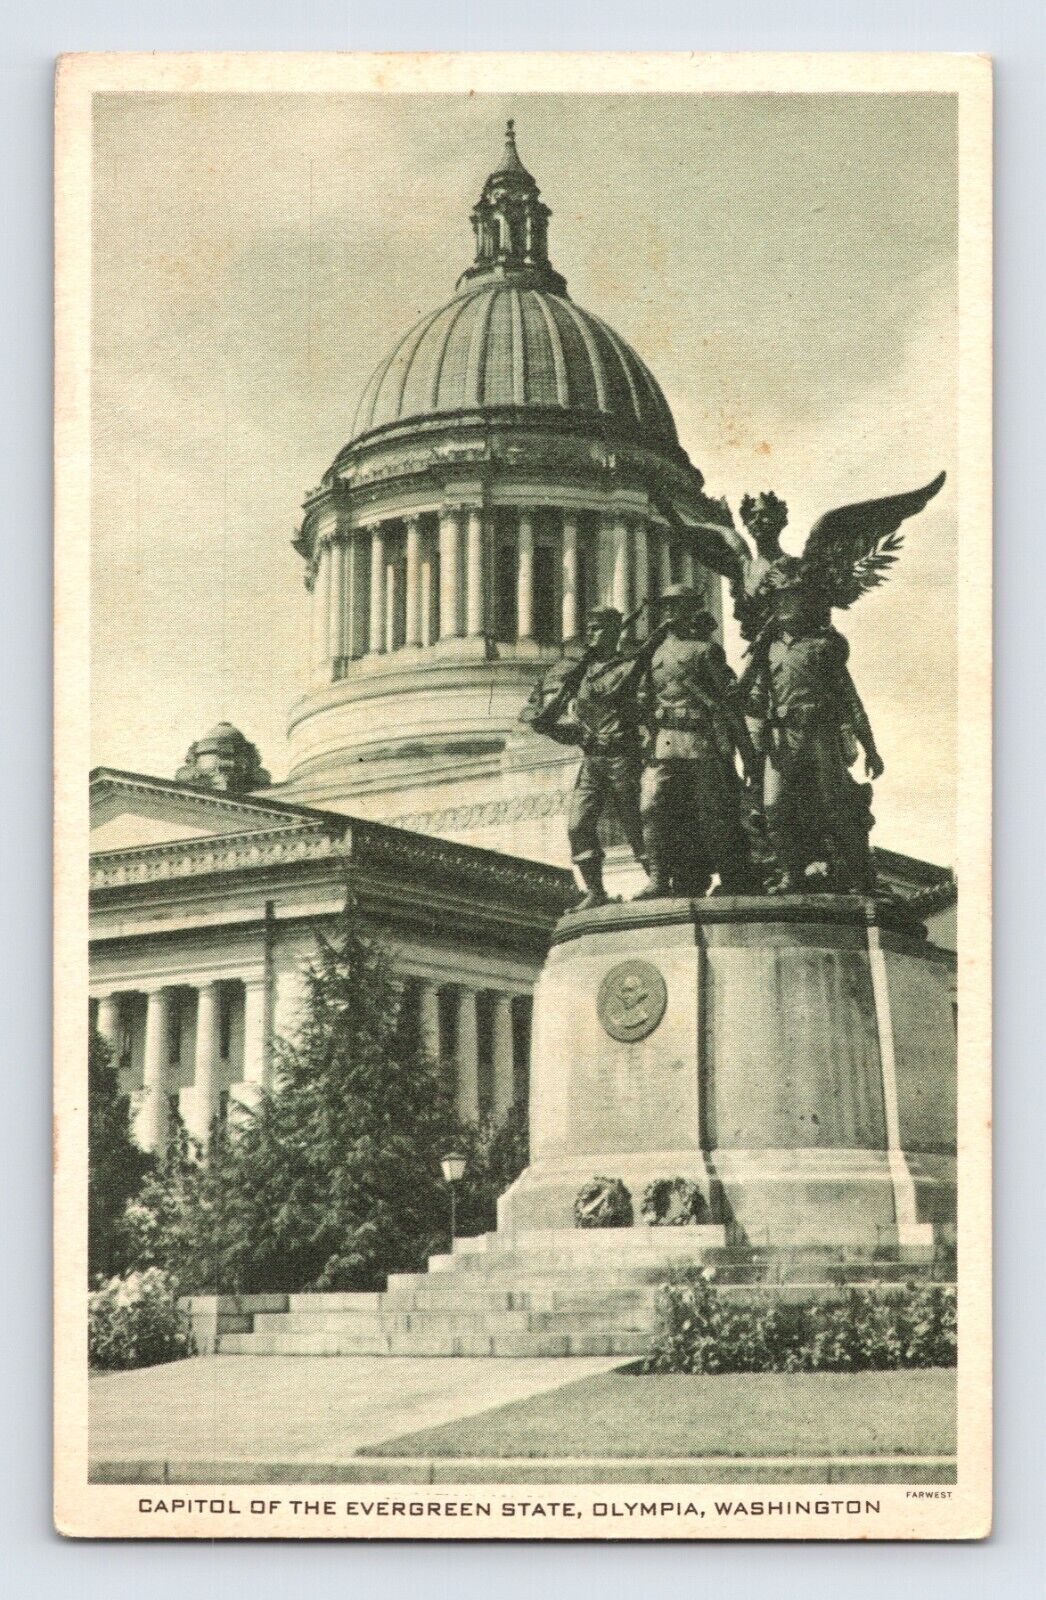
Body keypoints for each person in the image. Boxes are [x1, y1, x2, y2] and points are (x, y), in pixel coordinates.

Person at [745, 562, 883, 893]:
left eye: (792, 598)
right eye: (780, 599)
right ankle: (791, 873)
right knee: (774, 807)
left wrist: (871, 748)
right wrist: (753, 746)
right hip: (781, 736)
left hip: (820, 734)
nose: (785, 605)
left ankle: (859, 876)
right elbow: (756, 700)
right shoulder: (767, 649)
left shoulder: (823, 645)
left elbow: (849, 698)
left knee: (836, 806)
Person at [635, 586, 760, 899]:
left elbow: (728, 704)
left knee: (714, 813)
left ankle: (733, 877)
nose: (671, 612)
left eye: (679, 606)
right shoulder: (650, 654)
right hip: (662, 744)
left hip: (700, 743)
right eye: (667, 606)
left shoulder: (706, 650)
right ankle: (659, 878)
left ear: (691, 610)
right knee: (652, 808)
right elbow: (642, 700)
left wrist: (748, 755)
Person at [529, 605, 650, 910]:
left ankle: (658, 880)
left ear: (615, 631)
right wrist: (555, 728)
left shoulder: (631, 667)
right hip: (592, 761)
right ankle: (595, 891)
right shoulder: (581, 672)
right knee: (578, 826)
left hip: (622, 758)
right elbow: (564, 721)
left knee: (635, 825)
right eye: (590, 628)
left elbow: (646, 712)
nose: (592, 634)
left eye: (599, 628)